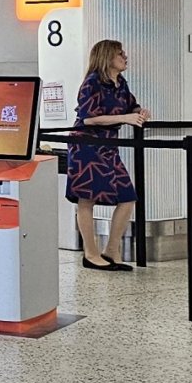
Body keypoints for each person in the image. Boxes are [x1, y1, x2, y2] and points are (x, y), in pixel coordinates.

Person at [67, 38, 148, 271]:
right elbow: (88, 118)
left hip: (108, 146)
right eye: (120, 53)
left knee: (127, 196)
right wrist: (125, 118)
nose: (125, 57)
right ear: (107, 57)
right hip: (87, 145)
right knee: (86, 199)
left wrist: (139, 111)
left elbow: (130, 105)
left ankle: (112, 249)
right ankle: (91, 253)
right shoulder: (92, 83)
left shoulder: (120, 83)